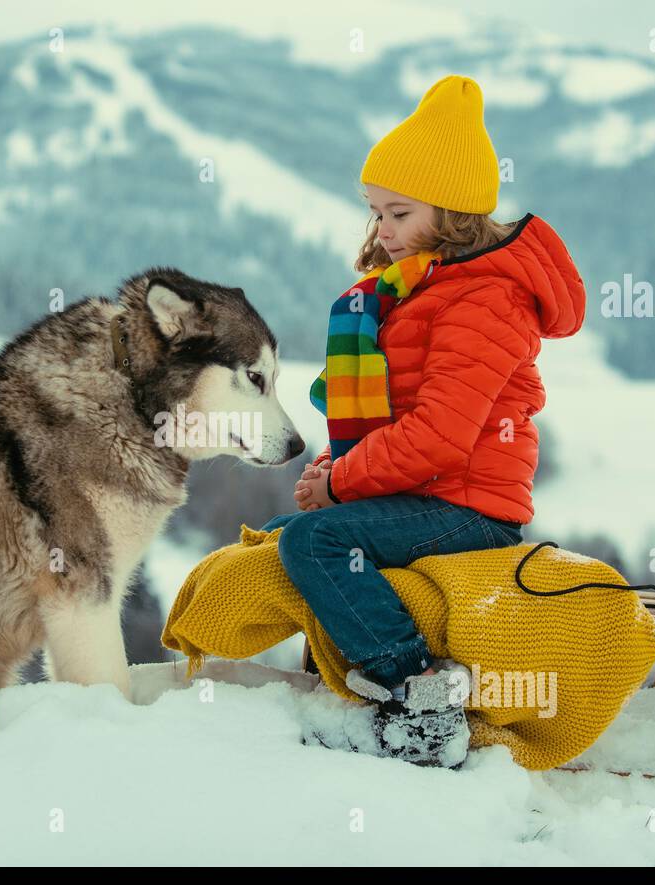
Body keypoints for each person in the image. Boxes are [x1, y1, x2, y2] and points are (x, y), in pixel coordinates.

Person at [261, 74, 586, 763]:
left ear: (455, 211)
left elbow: (438, 434)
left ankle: (423, 699)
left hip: (470, 505)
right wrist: (333, 469)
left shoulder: (485, 299)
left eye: (399, 213)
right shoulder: (418, 289)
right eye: (376, 212)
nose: (383, 230)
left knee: (313, 544)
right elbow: (386, 418)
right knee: (291, 536)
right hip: (423, 491)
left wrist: (342, 486)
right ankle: (344, 692)